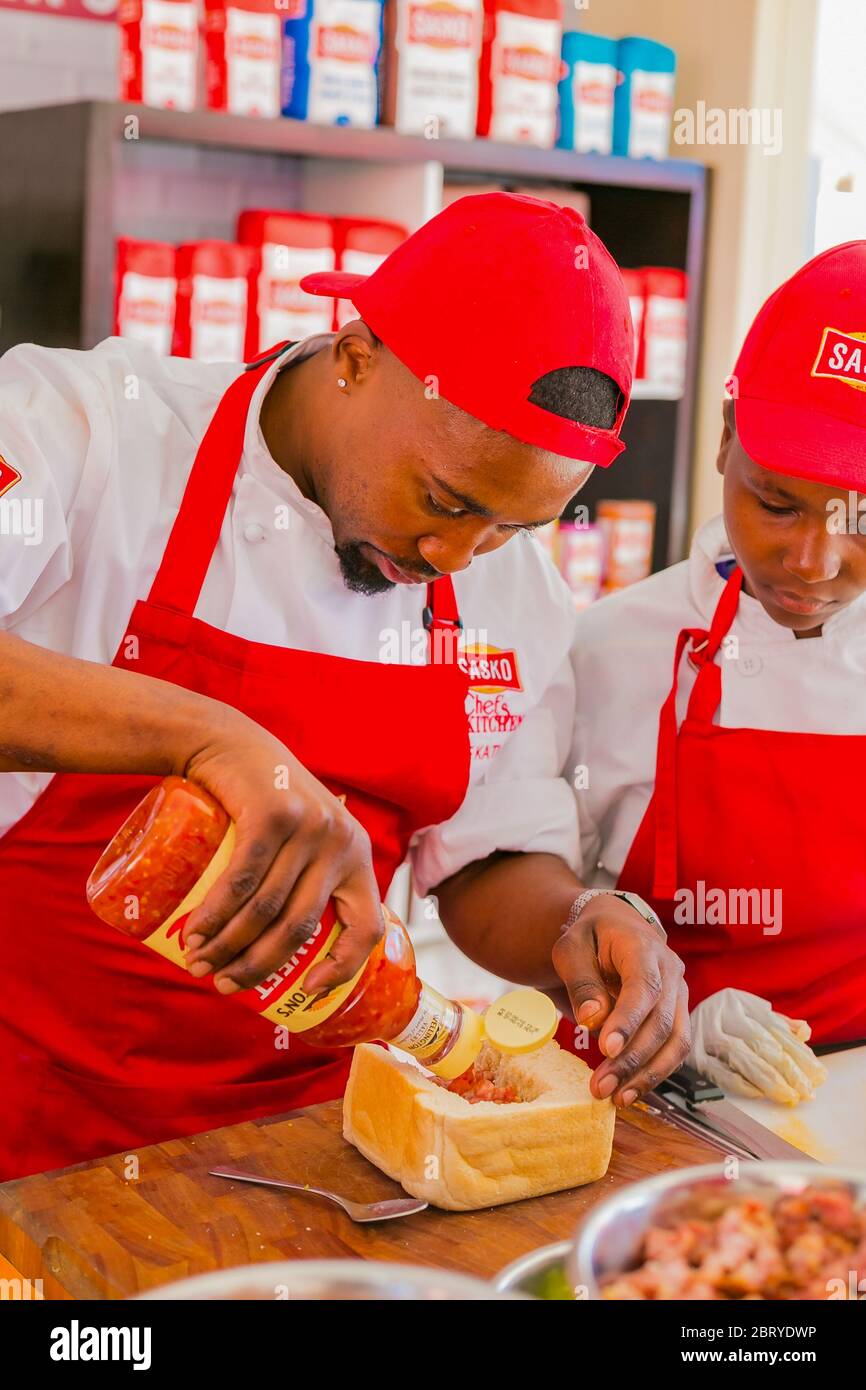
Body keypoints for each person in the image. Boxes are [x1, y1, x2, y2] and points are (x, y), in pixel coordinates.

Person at [0, 192, 689, 1181]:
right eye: (444, 500)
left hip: (315, 1154)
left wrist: (575, 925)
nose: (453, 552)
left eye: (508, 525)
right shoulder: (93, 434)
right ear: (359, 349)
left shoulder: (513, 597)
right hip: (35, 1129)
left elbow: (485, 860)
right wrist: (212, 738)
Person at [568, 241, 866, 1103]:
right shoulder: (613, 648)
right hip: (638, 1108)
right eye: (776, 502)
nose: (813, 561)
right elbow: (530, 904)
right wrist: (674, 1014)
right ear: (727, 439)